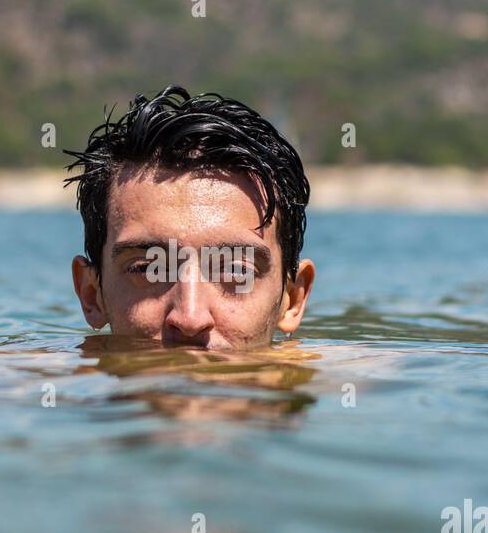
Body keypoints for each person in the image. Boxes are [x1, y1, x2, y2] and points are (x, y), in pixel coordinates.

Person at [64, 86, 315, 351]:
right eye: (148, 268)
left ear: (293, 298)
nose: (190, 319)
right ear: (91, 295)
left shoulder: (353, 375)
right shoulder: (28, 380)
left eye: (236, 271)